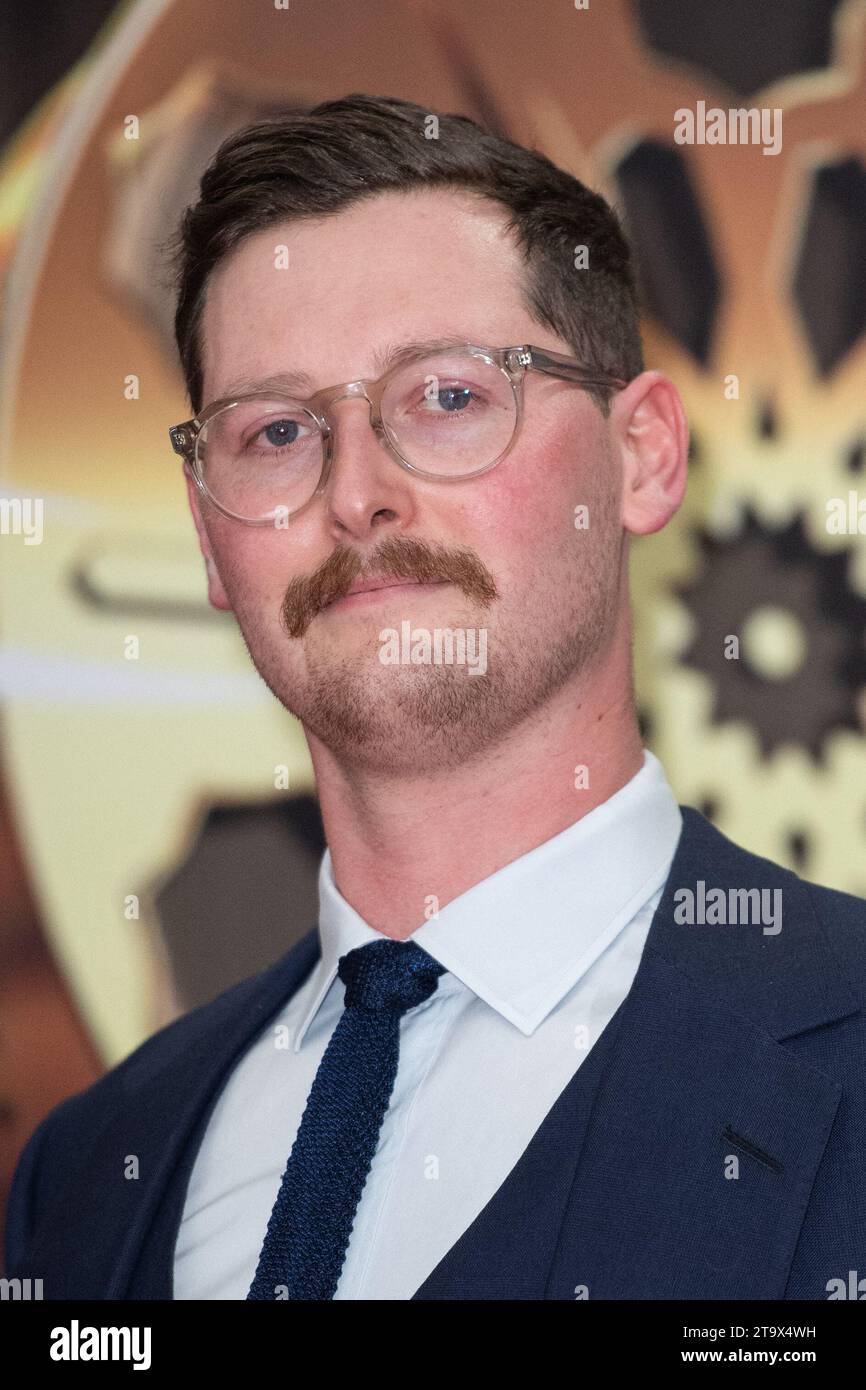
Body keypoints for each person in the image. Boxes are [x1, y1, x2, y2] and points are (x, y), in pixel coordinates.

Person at [6, 93, 865, 1301]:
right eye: (276, 431)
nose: (356, 493)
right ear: (210, 542)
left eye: (449, 396)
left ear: (642, 456)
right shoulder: (83, 1181)